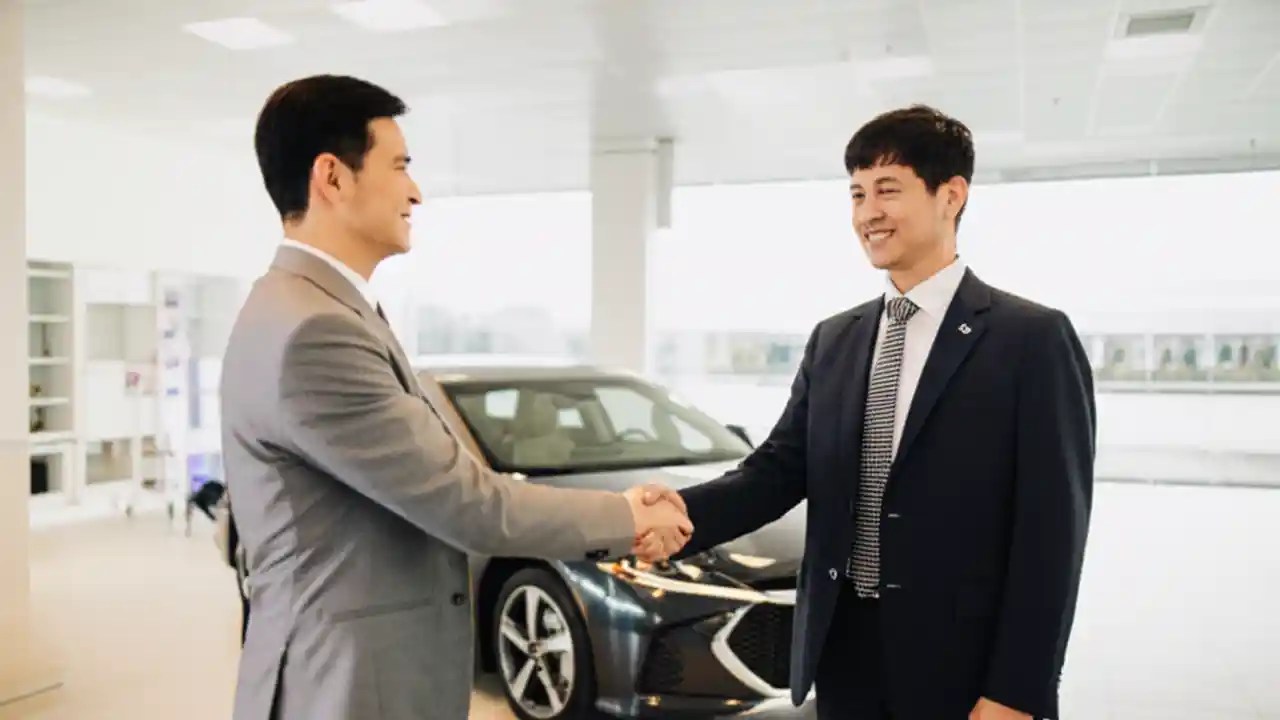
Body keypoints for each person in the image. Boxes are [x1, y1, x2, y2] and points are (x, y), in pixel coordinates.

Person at [220, 74, 690, 720]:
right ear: (332, 177)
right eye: (398, 166)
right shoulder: (315, 331)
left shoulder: (301, 307)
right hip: (345, 686)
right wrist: (626, 517)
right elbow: (464, 502)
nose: (415, 190)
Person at [671, 105, 1096, 719]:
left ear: (951, 196)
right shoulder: (835, 339)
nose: (868, 213)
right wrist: (676, 516)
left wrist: (1018, 690)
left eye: (888, 190)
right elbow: (777, 472)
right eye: (857, 193)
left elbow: (1052, 537)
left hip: (965, 667)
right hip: (844, 654)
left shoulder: (1030, 340)